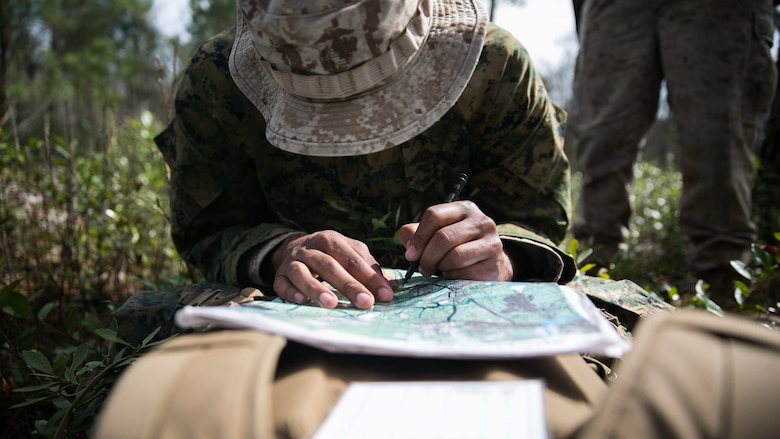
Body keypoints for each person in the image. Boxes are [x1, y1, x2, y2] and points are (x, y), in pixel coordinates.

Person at [115, 0, 577, 344]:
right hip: (288, 319)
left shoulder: (493, 66)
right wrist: (278, 253)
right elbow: (205, 232)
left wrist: (503, 256)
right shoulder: (217, 79)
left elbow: (540, 217)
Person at [568, 0, 777, 308]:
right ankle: (591, 278)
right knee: (603, 140)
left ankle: (722, 293)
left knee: (719, 144)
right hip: (615, 8)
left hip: (720, 9)